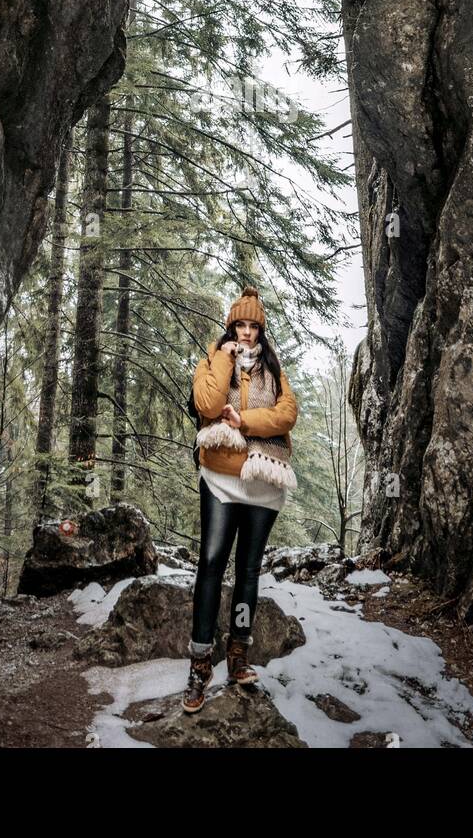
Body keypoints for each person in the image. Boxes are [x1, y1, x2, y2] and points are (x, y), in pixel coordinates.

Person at [183, 286, 298, 713]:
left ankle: (237, 655)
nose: (247, 333)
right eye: (240, 325)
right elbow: (208, 404)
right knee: (212, 562)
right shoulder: (211, 362)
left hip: (263, 483)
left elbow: (287, 414)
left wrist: (245, 421)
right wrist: (223, 356)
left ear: (261, 331)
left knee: (248, 571)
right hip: (220, 479)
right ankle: (200, 662)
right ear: (230, 327)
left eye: (254, 326)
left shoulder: (274, 370)